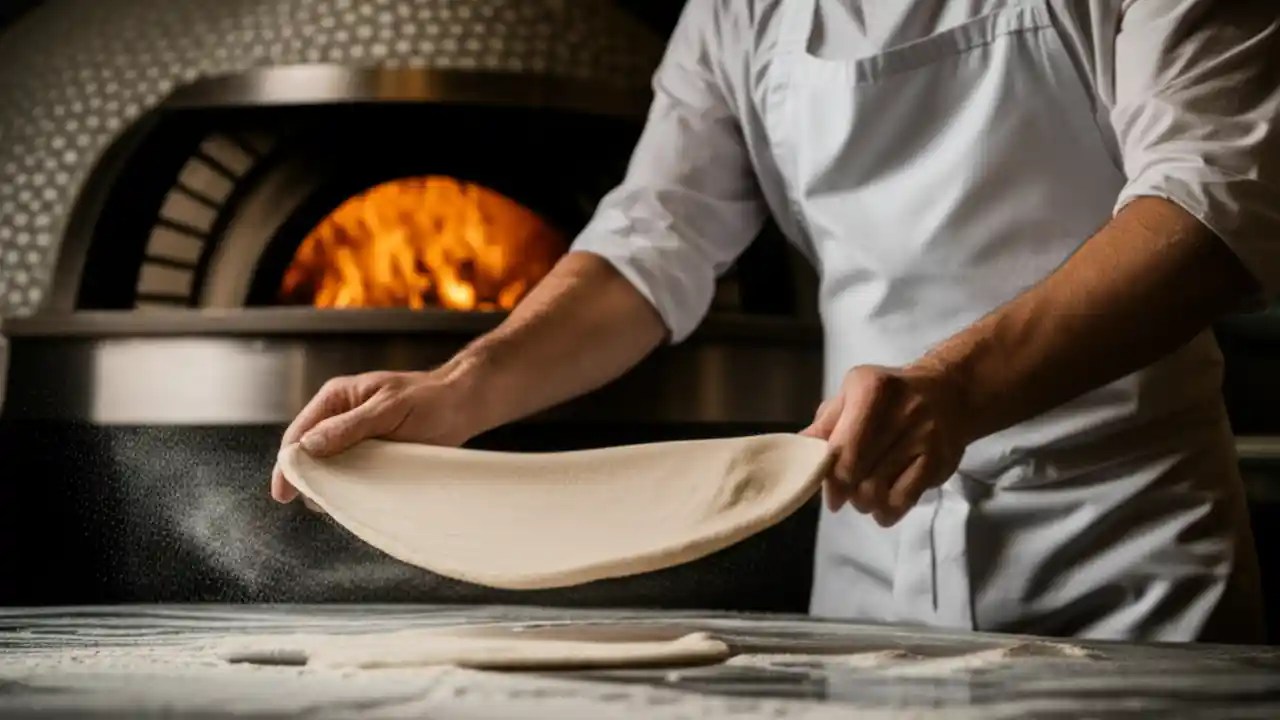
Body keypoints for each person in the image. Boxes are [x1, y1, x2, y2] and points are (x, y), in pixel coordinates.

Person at [270, 0, 1279, 643]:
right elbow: (650, 241)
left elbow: (1216, 200)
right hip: (866, 562)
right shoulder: (738, 11)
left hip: (1123, 561)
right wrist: (459, 393)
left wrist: (957, 388)